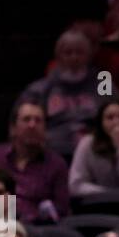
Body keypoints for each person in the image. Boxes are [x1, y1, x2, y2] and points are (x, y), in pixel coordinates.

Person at [0, 100, 71, 223]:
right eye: (26, 119)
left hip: (33, 230)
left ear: (45, 129)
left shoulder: (56, 164)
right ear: (13, 128)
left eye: (38, 120)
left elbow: (61, 211)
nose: (32, 125)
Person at [19, 27, 102, 158]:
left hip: (95, 151)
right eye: (68, 53)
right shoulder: (39, 89)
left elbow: (117, 114)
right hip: (52, 152)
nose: (74, 57)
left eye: (79, 52)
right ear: (58, 56)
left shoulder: (103, 84)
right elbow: (19, 123)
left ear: (89, 55)